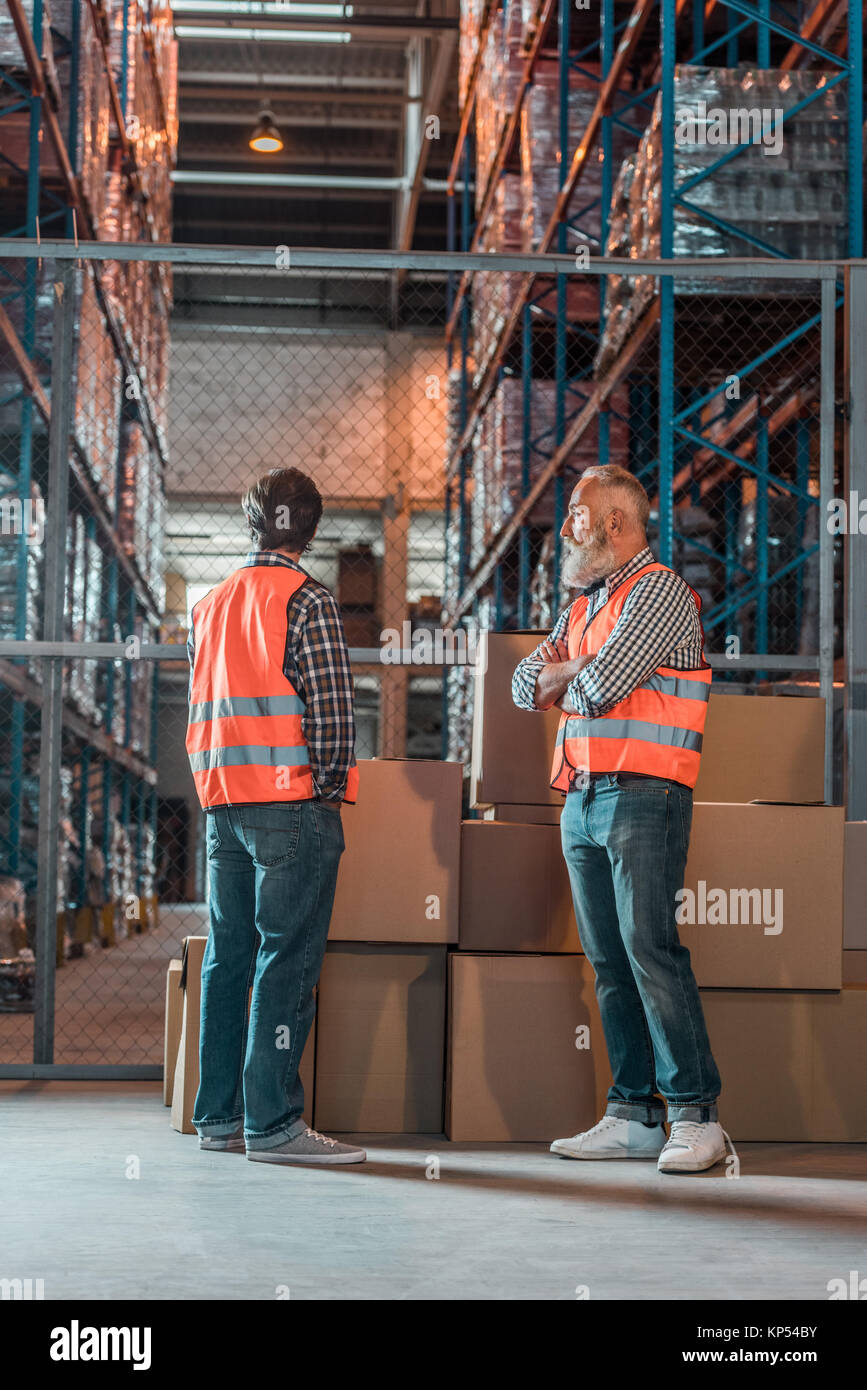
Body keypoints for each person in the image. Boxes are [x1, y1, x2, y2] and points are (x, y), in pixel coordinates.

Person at [512, 464, 727, 1174]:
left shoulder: (659, 591)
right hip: (582, 798)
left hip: (644, 794)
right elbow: (521, 687)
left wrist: (569, 673)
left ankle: (695, 1116)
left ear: (613, 522)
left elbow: (599, 685)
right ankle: (632, 1114)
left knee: (648, 950)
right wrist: (573, 668)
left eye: (576, 512)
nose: (567, 524)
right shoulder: (584, 606)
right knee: (608, 962)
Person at [185, 467, 365, 1166]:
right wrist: (323, 792)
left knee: (229, 959)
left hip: (221, 805)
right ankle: (275, 1125)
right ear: (311, 530)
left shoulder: (210, 605)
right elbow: (330, 714)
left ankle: (219, 1119)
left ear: (250, 524)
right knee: (284, 961)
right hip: (289, 804)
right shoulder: (308, 600)